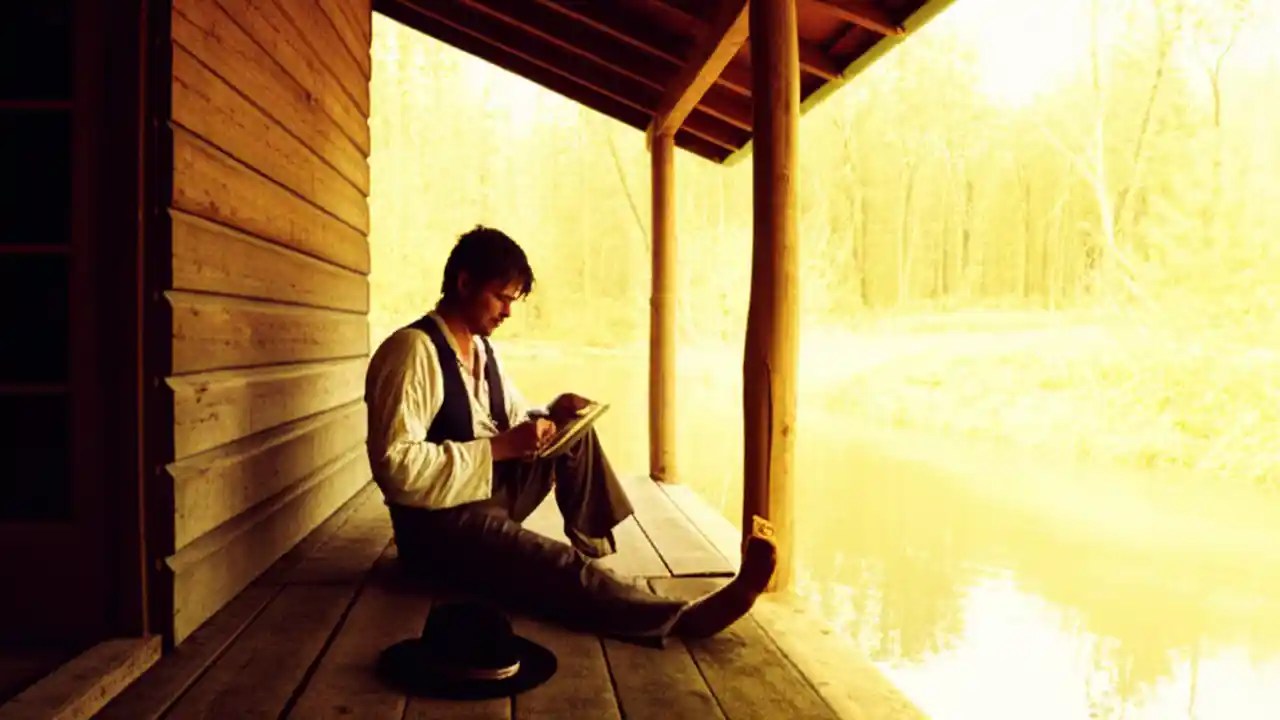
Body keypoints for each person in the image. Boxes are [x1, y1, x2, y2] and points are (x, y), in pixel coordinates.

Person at [364, 225, 777, 642]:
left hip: (486, 496)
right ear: (465, 282)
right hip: (438, 532)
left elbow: (508, 418)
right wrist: (499, 449)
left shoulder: (483, 351)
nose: (507, 312)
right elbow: (396, 467)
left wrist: (550, 413)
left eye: (512, 301)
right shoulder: (412, 352)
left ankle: (595, 556)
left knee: (575, 434)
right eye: (502, 298)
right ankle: (679, 620)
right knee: (550, 564)